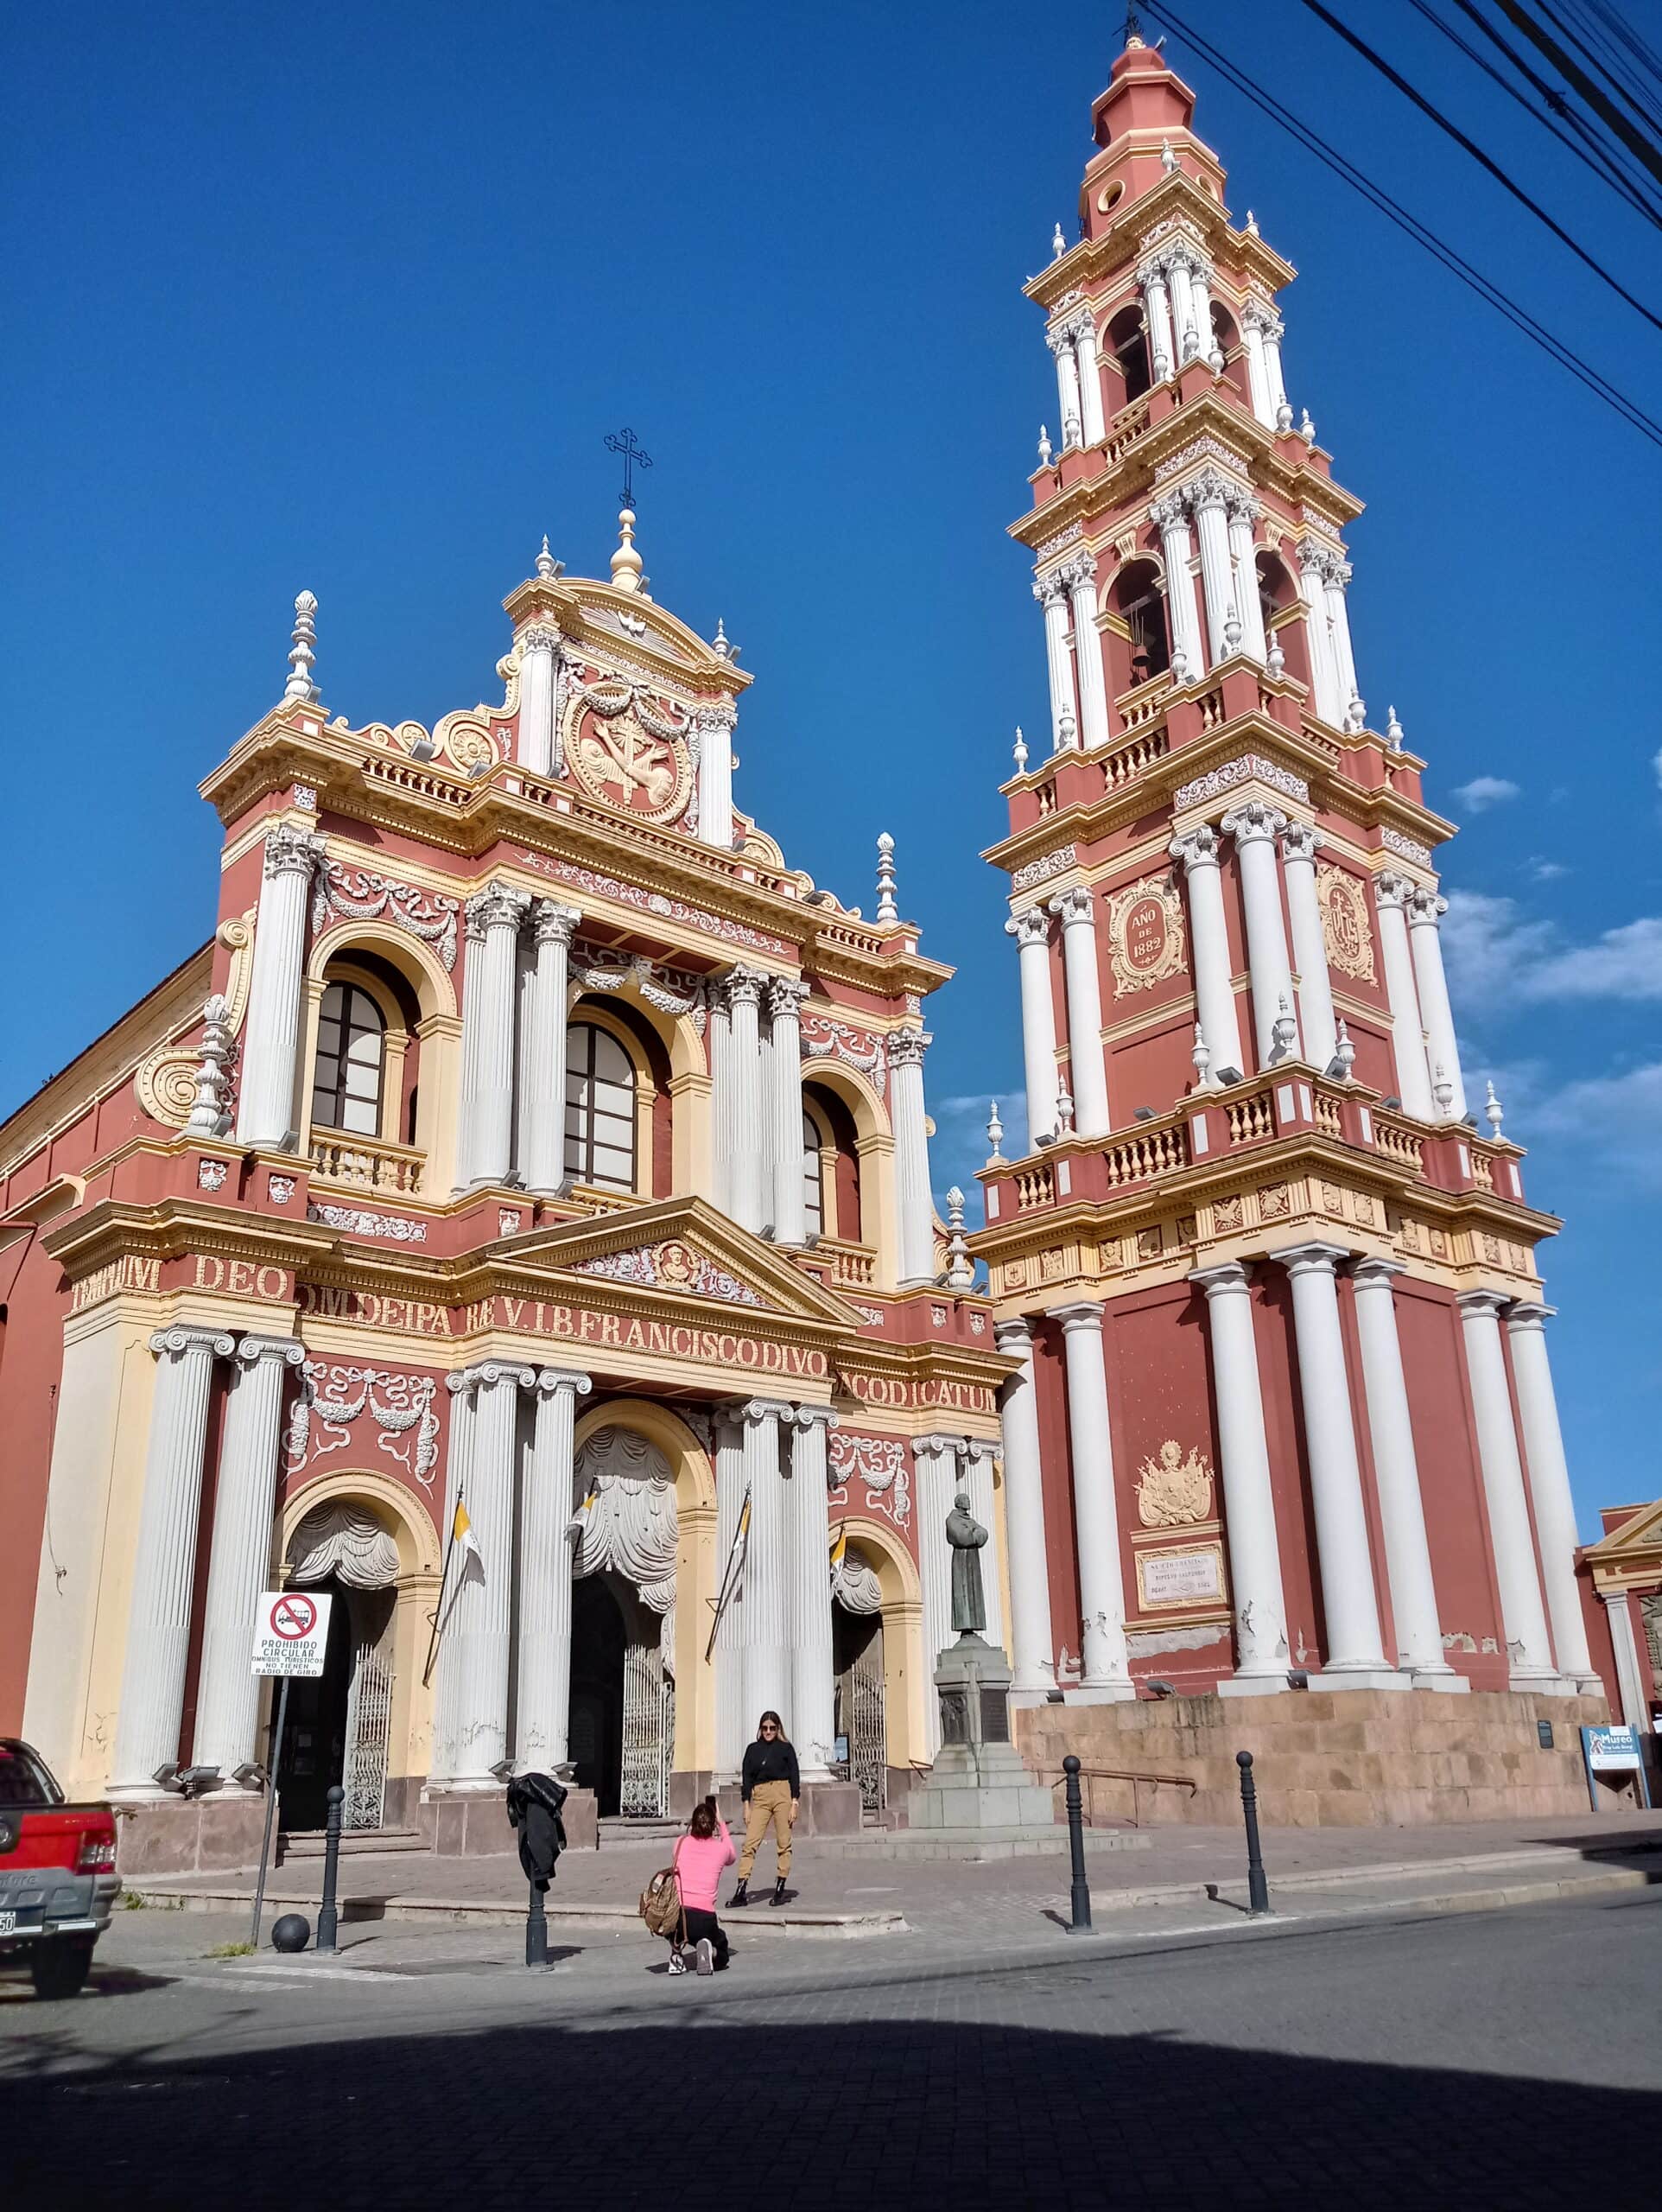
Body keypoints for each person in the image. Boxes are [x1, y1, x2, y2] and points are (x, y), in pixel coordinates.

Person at [729, 1710, 800, 1908]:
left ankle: (780, 1887)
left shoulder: (786, 1748)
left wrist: (794, 1802)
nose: (768, 1731)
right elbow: (747, 1778)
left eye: (772, 1728)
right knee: (750, 1843)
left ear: (778, 1729)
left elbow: (795, 1775)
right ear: (760, 1729)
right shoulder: (752, 1749)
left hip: (782, 1793)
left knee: (784, 1842)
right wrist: (746, 1805)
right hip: (759, 1797)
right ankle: (741, 1890)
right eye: (765, 1728)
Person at [668, 1795, 733, 1976]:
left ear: (693, 1823)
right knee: (722, 1947)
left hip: (677, 1917)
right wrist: (722, 1824)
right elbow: (732, 1856)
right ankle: (709, 1950)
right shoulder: (721, 1849)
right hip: (704, 1919)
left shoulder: (680, 1843)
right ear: (713, 1825)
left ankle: (676, 1956)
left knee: (677, 1929)